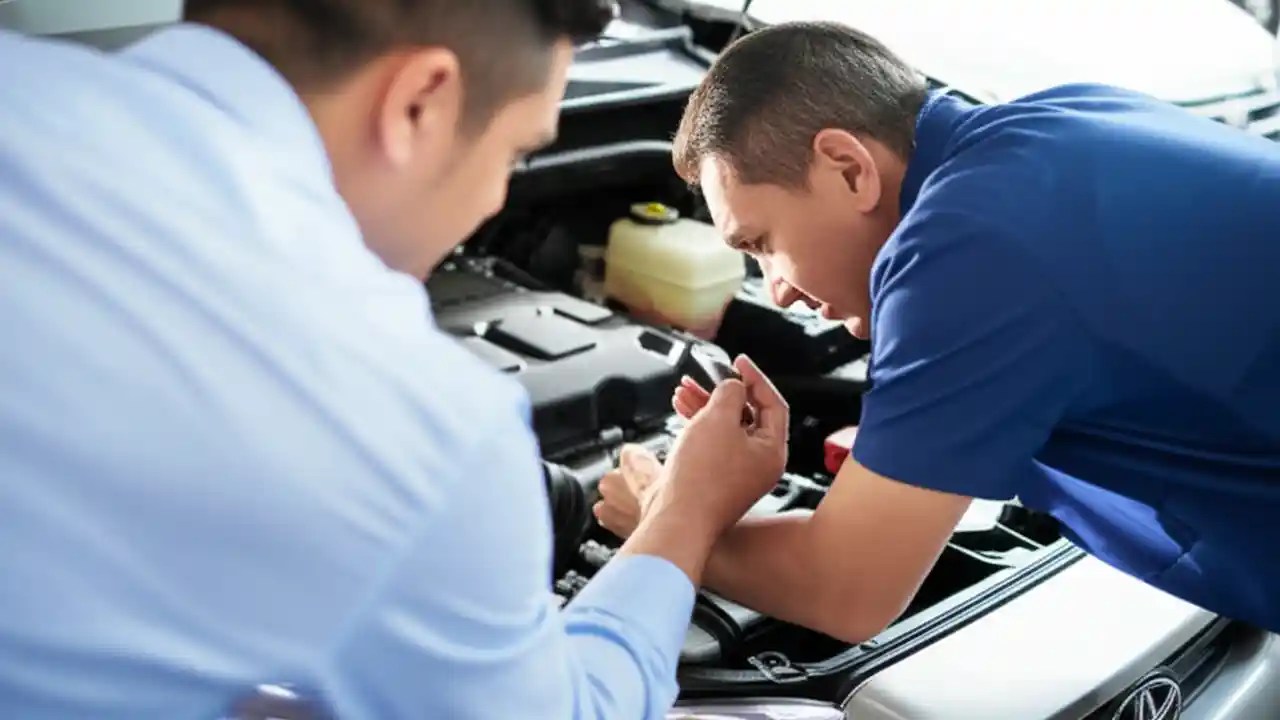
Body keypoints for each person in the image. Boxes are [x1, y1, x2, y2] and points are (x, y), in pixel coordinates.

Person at [0, 2, 781, 718]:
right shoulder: (414, 423)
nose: (491, 202)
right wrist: (687, 511)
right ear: (420, 102)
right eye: (514, 153)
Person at [594, 20, 1280, 640]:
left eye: (763, 241)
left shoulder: (967, 246)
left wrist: (666, 511)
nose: (776, 288)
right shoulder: (1058, 120)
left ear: (848, 168)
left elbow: (845, 591)